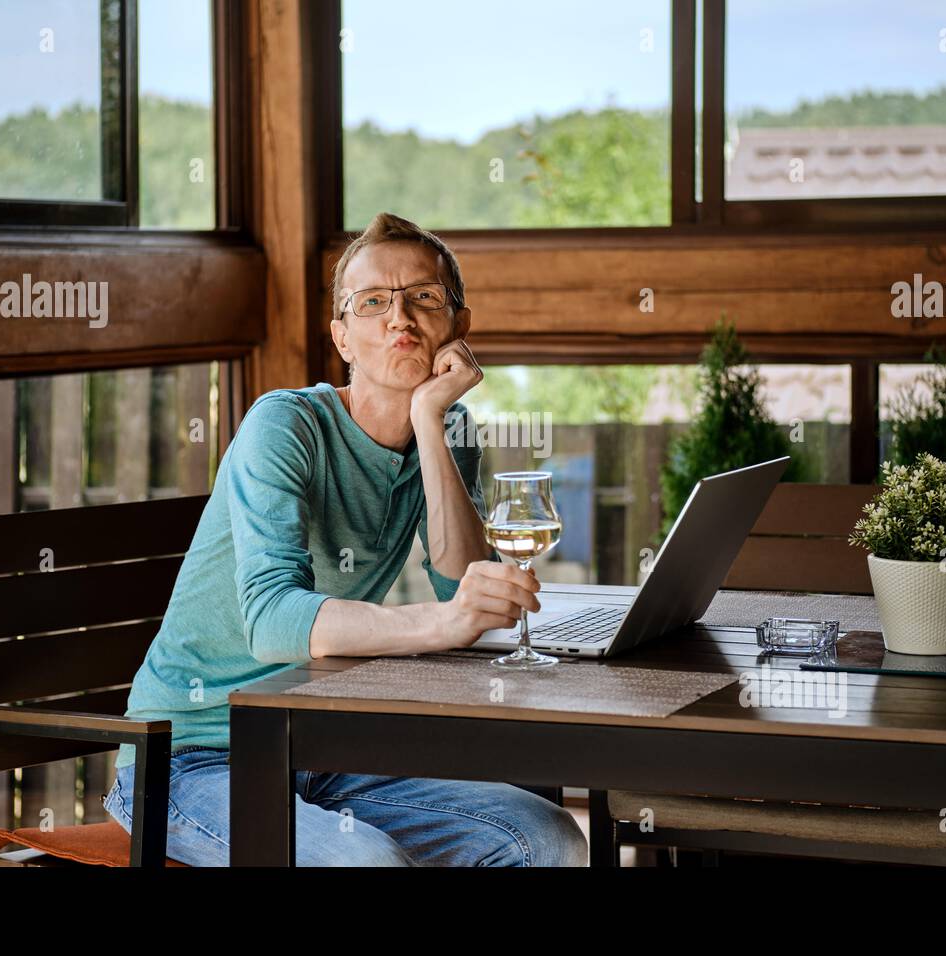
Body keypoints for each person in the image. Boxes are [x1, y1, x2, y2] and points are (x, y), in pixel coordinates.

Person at [102, 211, 588, 866]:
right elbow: (273, 622)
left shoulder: (448, 425)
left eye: (423, 297)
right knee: (370, 864)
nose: (400, 319)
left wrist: (429, 419)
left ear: (459, 326)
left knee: (547, 838)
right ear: (342, 337)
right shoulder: (286, 426)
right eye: (373, 303)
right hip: (190, 761)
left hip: (319, 753)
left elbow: (461, 578)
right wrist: (437, 623)